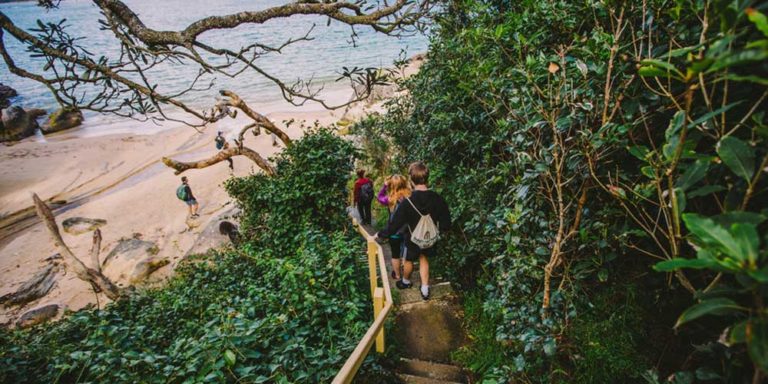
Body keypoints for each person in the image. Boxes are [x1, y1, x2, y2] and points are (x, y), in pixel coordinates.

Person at [376, 162, 451, 300]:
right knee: (424, 258)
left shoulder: (408, 202)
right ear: (427, 178)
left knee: (409, 260)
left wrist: (381, 234)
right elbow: (446, 222)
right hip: (429, 238)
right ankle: (425, 288)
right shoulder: (437, 198)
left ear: (411, 179)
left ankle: (405, 281)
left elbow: (394, 225)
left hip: (412, 238)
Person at [377, 174, 411, 281]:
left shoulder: (390, 199)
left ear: (391, 185)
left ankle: (397, 275)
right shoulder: (410, 197)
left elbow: (379, 197)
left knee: (395, 255)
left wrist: (384, 186)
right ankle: (406, 276)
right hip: (408, 232)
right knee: (406, 256)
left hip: (394, 232)